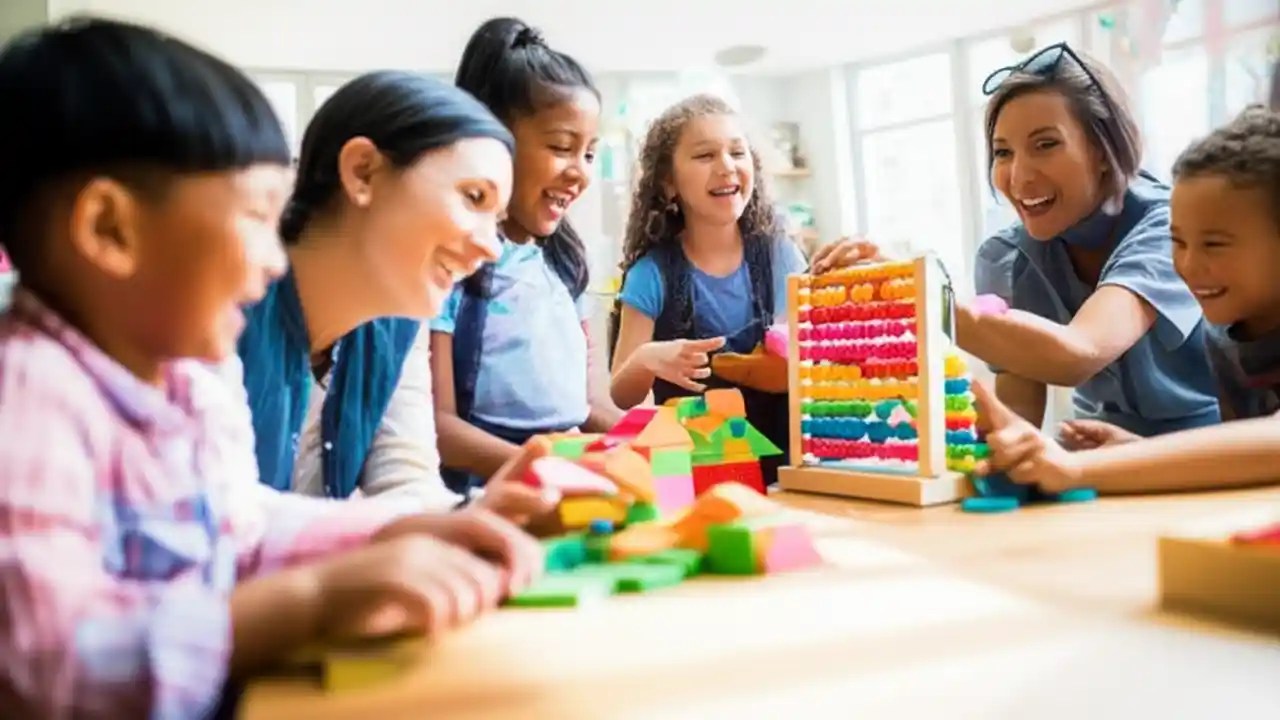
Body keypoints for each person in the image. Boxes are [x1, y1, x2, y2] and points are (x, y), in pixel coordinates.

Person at [0, 18, 542, 719]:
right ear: (110, 229)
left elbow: (241, 525)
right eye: (257, 216)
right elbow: (44, 664)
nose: (271, 257)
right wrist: (308, 602)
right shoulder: (30, 395)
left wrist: (391, 534)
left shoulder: (192, 377)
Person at [235, 69, 552, 518]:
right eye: (473, 197)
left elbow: (404, 483)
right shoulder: (224, 307)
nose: (490, 246)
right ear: (363, 172)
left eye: (496, 219)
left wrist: (484, 514)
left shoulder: (400, 316)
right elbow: (225, 528)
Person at [973, 105, 1280, 494]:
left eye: (1214, 245)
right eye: (1178, 242)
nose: (1187, 264)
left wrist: (1080, 469)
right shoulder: (1228, 338)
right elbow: (1249, 464)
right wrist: (1138, 453)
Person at [608, 94, 873, 485]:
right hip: (693, 476)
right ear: (668, 183)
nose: (726, 166)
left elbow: (801, 365)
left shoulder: (780, 256)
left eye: (737, 152)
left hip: (785, 469)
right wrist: (647, 359)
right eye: (704, 155)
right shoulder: (652, 274)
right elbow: (621, 394)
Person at [965, 43, 1218, 438]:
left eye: (1045, 144)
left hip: (1209, 451)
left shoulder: (1171, 227)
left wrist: (922, 302)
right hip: (1096, 447)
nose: (1018, 177)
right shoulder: (1006, 258)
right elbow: (1016, 417)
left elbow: (1079, 353)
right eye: (1003, 152)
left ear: (1103, 148)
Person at [430, 17, 622, 494]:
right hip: (486, 491)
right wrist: (542, 468)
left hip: (563, 477)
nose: (579, 173)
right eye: (561, 147)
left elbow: (590, 403)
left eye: (590, 154)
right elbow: (437, 427)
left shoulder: (565, 264)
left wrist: (655, 440)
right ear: (493, 140)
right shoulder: (451, 265)